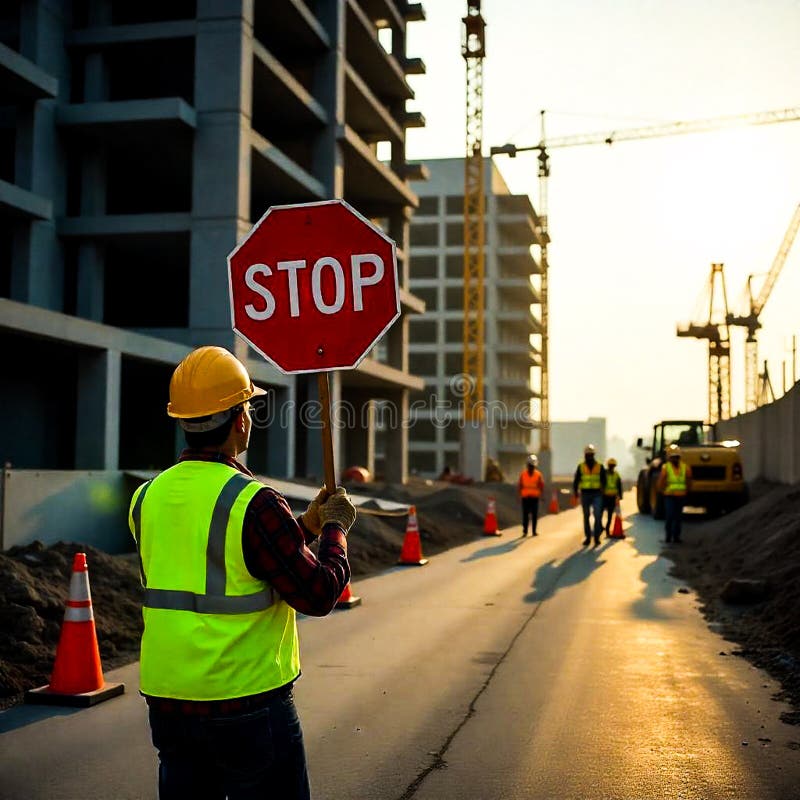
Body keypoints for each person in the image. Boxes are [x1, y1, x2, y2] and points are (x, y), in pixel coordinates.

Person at [128, 346, 355, 800]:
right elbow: (317, 594)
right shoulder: (255, 501)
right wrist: (335, 529)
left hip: (170, 704)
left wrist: (307, 526)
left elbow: (230, 558)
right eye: (248, 406)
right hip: (246, 704)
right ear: (239, 420)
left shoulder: (146, 497)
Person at [657, 444, 692, 544]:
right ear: (669, 458)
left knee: (678, 518)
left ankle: (676, 537)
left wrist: (687, 491)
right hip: (670, 496)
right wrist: (662, 492)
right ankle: (668, 537)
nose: (674, 459)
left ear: (679, 457)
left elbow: (689, 481)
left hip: (680, 496)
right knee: (670, 516)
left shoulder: (685, 468)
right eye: (673, 457)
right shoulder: (666, 467)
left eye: (676, 457)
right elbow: (661, 482)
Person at [572, 444, 606, 546]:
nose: (589, 457)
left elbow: (604, 480)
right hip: (585, 494)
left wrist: (603, 492)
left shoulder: (600, 466)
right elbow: (576, 480)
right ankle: (587, 537)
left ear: (593, 455)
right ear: (585, 455)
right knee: (586, 516)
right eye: (587, 455)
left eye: (591, 455)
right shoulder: (581, 467)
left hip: (597, 494)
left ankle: (596, 537)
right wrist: (575, 492)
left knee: (597, 515)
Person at [518, 453, 545, 536]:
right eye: (530, 465)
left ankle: (534, 531)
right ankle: (525, 531)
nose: (531, 467)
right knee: (525, 515)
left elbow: (541, 485)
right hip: (525, 497)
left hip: (534, 498)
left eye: (532, 466)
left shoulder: (538, 475)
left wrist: (541, 495)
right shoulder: (523, 474)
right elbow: (520, 485)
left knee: (534, 515)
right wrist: (520, 494)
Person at [601, 457, 623, 537]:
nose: (612, 467)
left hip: (612, 498)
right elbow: (601, 484)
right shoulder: (604, 474)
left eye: (613, 466)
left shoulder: (616, 475)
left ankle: (607, 531)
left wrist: (620, 496)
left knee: (610, 516)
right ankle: (599, 526)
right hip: (604, 497)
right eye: (611, 465)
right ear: (608, 465)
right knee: (599, 513)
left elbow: (619, 486)